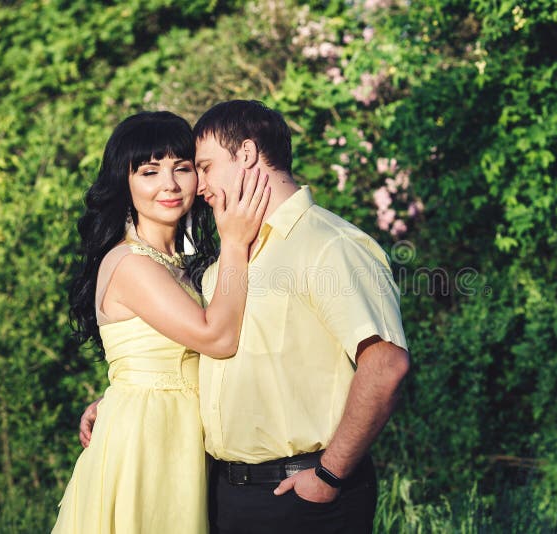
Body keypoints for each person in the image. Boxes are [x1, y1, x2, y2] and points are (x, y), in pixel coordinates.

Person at [81, 100, 410, 533]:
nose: (195, 185)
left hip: (302, 489)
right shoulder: (226, 262)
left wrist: (329, 475)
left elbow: (386, 364)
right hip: (223, 490)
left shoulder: (327, 244)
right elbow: (213, 358)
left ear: (249, 154)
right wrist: (125, 398)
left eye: (198, 167)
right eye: (151, 172)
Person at [54, 110, 269, 534]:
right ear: (124, 183)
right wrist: (234, 242)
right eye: (149, 172)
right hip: (148, 441)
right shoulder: (130, 263)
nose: (169, 184)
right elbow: (217, 339)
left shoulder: (179, 264)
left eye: (182, 168)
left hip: (177, 436)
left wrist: (109, 399)